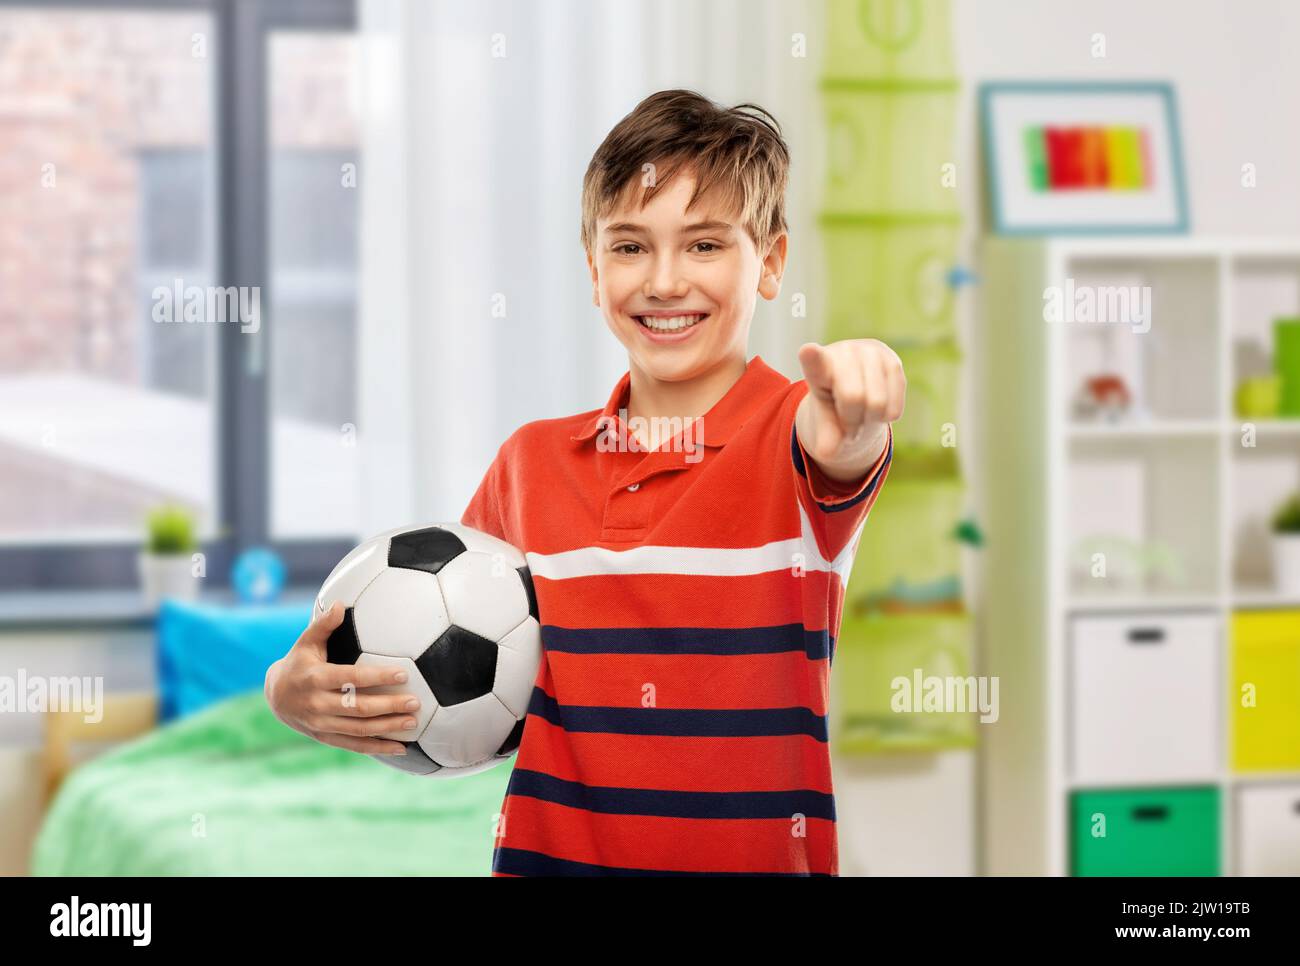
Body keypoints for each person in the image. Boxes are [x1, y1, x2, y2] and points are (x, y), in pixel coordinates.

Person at [267, 89, 904, 875]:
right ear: (593, 268)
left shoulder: (796, 436)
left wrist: (866, 403)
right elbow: (432, 653)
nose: (665, 281)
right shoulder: (529, 464)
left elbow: (843, 447)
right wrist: (292, 691)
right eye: (631, 246)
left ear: (769, 263)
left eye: (704, 246)